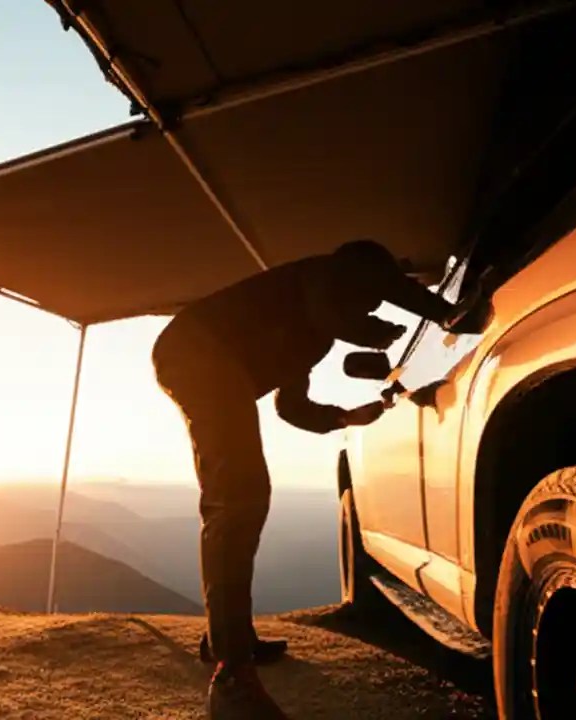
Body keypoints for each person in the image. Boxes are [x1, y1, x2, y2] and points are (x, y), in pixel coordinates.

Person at [151, 239, 486, 719]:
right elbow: (344, 306)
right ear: (353, 276)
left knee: (240, 499)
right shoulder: (317, 278)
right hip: (194, 351)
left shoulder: (313, 333)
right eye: (370, 293)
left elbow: (292, 406)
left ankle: (227, 637)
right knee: (237, 499)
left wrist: (347, 417)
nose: (371, 302)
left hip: (211, 365)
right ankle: (231, 675)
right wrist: (444, 313)